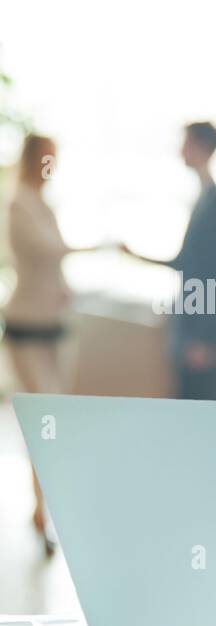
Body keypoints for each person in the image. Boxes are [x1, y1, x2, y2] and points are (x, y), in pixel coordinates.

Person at [3, 133, 98, 552]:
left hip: (54, 327)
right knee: (44, 420)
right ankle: (42, 507)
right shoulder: (18, 202)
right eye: (46, 159)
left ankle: (44, 507)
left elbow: (53, 265)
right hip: (26, 328)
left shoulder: (45, 203)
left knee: (53, 420)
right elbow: (46, 250)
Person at [121, 121, 216, 400]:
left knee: (204, 412)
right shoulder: (202, 200)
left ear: (202, 147)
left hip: (204, 336)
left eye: (185, 143)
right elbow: (187, 263)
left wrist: (206, 339)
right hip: (191, 326)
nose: (180, 151)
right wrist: (136, 256)